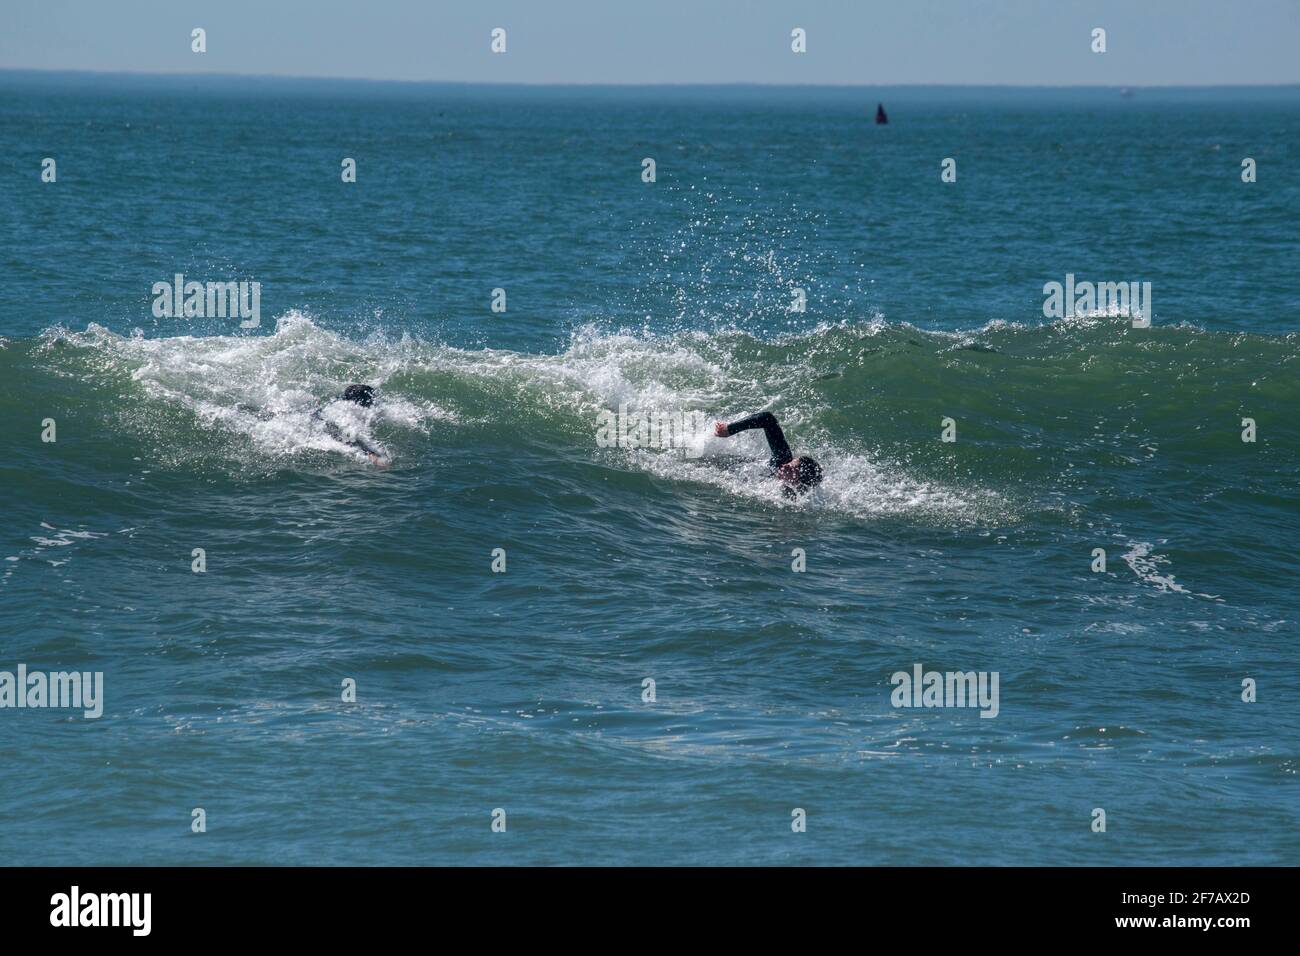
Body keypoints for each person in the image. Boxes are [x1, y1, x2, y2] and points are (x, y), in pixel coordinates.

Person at [714, 411, 822, 496]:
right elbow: (767, 418)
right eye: (790, 464)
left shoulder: (791, 497)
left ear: (797, 482)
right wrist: (730, 429)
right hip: (729, 465)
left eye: (790, 470)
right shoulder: (782, 459)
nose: (784, 466)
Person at [314, 384, 388, 466]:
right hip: (326, 429)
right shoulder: (349, 414)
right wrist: (371, 454)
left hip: (318, 417)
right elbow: (352, 436)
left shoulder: (338, 402)